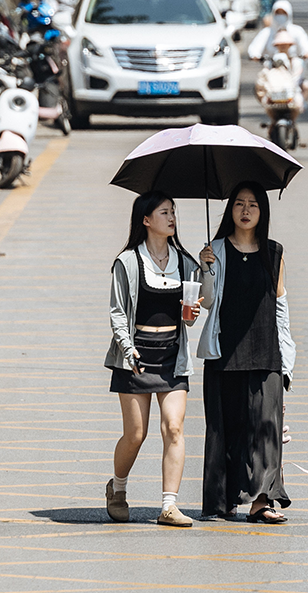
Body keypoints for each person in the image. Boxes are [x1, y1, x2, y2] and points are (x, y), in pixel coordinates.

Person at [198, 182, 297, 524]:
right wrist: (206, 268)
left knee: (265, 429)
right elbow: (207, 302)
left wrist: (288, 360)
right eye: (239, 204)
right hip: (224, 353)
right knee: (227, 427)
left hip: (265, 351)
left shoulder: (274, 252)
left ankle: (261, 501)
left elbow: (281, 306)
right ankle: (224, 499)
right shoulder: (217, 250)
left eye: (253, 205)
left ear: (262, 212)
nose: (245, 210)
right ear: (230, 211)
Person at [105, 191, 202, 527]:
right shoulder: (128, 262)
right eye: (164, 212)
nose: (172, 218)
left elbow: (191, 317)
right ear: (146, 220)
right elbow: (118, 311)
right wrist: (126, 344)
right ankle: (117, 489)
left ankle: (169, 506)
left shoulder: (187, 262)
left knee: (174, 427)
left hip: (172, 357)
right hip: (136, 356)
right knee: (136, 434)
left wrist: (209, 272)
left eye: (174, 212)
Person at [249, 0, 308, 106]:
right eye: (278, 13)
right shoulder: (267, 32)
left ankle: (298, 107)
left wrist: (307, 53)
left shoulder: (297, 31)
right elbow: (254, 48)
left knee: (306, 86)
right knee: (260, 85)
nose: (280, 16)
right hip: (272, 68)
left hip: (293, 69)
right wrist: (255, 56)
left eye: (283, 13)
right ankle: (269, 108)